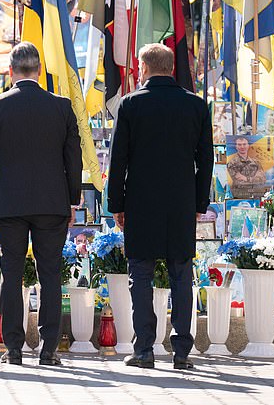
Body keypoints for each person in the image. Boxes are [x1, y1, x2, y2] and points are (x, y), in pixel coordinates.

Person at [0, 42, 81, 366]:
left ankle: (14, 348)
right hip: (52, 202)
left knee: (11, 273)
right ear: (39, 71)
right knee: (50, 274)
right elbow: (73, 159)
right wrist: (72, 201)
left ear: (11, 71)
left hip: (8, 202)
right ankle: (49, 349)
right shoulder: (61, 107)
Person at [106, 43, 213, 371]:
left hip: (141, 202)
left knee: (140, 275)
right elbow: (205, 159)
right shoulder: (196, 105)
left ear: (145, 67)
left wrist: (116, 203)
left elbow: (118, 159)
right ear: (171, 68)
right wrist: (200, 202)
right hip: (181, 202)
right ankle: (181, 351)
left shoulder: (131, 104)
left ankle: (144, 349)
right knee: (181, 274)